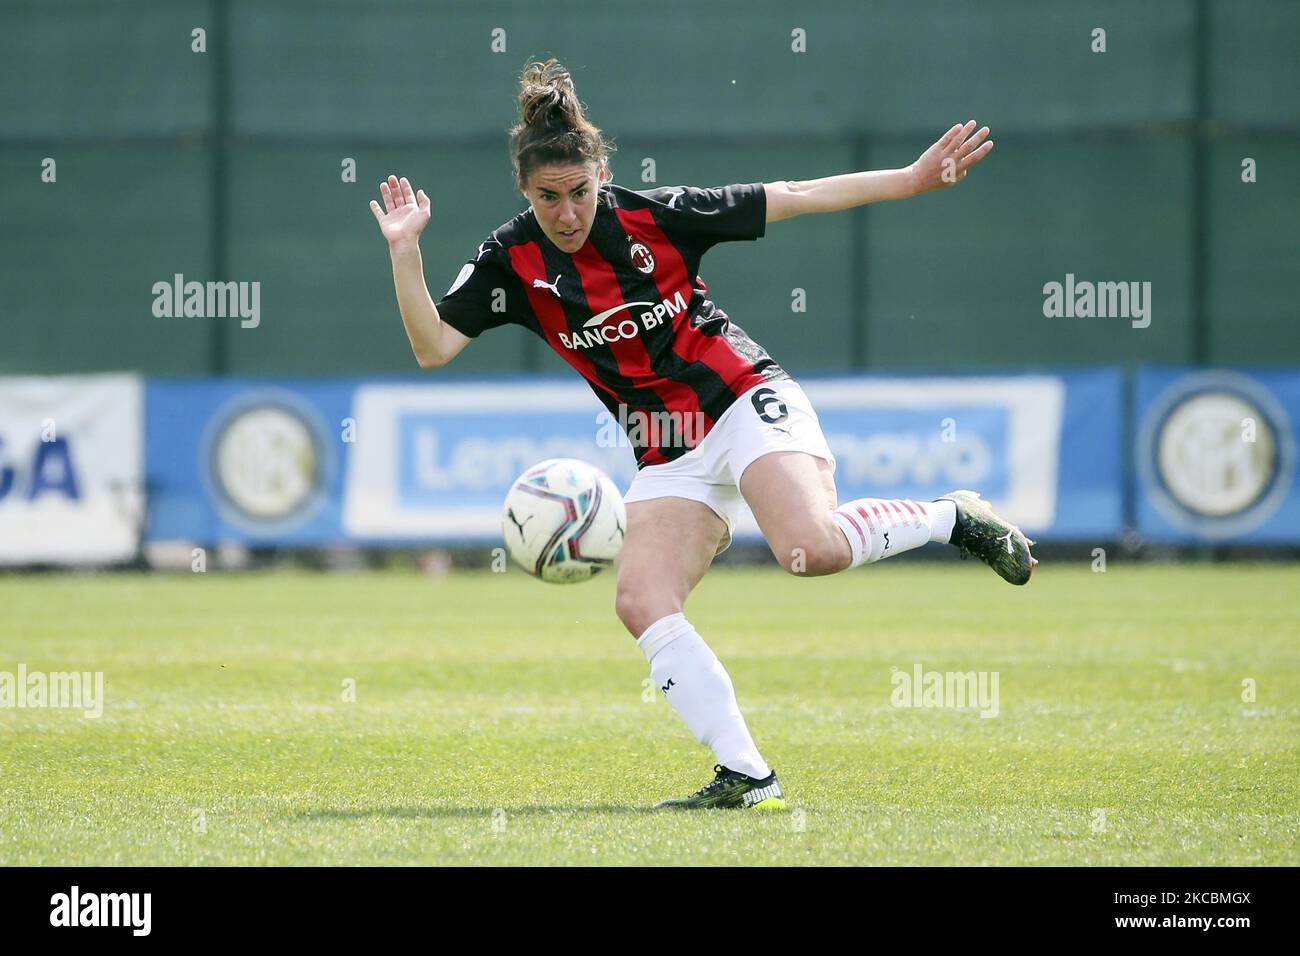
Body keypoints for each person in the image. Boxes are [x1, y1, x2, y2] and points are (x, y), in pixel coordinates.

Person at [369, 57, 1031, 811]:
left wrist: (909, 180)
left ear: (601, 176)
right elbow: (433, 346)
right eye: (548, 198)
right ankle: (750, 778)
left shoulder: (658, 215)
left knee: (808, 551)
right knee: (641, 599)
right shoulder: (509, 261)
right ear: (524, 191)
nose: (567, 213)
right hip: (665, 448)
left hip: (744, 396)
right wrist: (405, 251)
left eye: (580, 192)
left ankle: (952, 516)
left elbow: (795, 195)